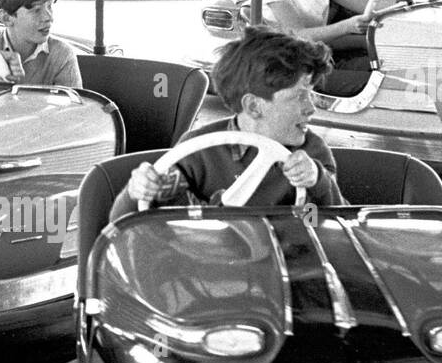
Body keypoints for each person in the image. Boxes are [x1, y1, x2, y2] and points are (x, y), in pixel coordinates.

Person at [111, 26, 346, 220]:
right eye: (299, 96)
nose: (311, 108)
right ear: (254, 106)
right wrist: (138, 190)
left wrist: (318, 181)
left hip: (283, 266)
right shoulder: (196, 149)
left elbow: (330, 226)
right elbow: (125, 225)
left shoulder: (312, 151)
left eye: (311, 94)